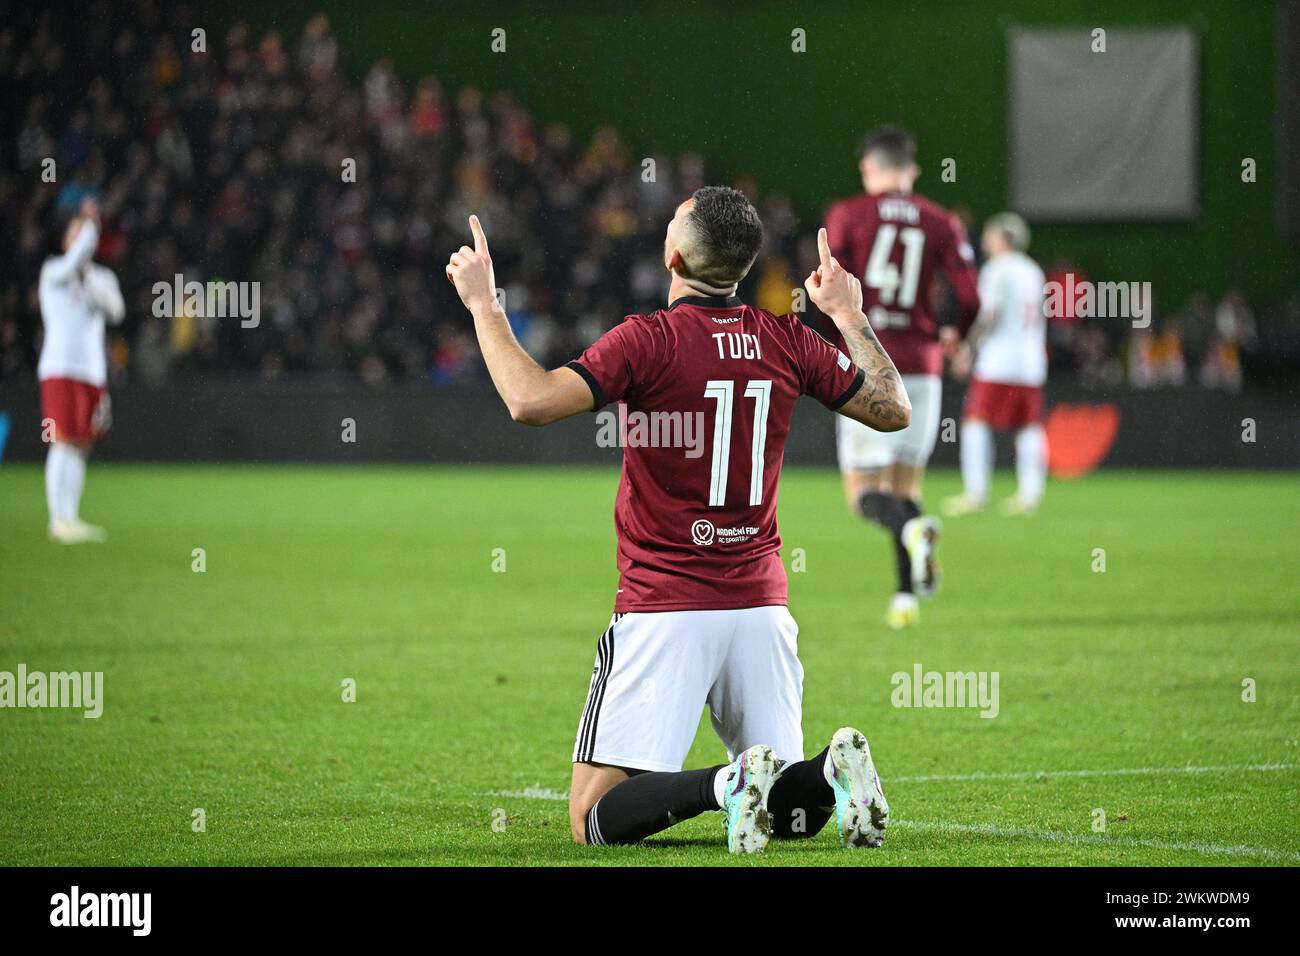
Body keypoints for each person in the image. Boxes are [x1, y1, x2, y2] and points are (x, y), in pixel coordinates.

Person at [445, 187, 910, 853]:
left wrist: (484, 304)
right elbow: (894, 409)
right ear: (743, 268)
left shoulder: (647, 341)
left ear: (672, 255)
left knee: (593, 818)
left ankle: (724, 786)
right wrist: (846, 313)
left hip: (666, 607)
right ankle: (830, 771)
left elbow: (530, 399)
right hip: (761, 610)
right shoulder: (786, 339)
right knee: (785, 809)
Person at [824, 126, 980, 629]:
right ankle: (904, 597)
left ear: (869, 167)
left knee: (864, 494)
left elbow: (831, 283)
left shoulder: (847, 214)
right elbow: (970, 294)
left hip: (870, 362)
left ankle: (913, 542)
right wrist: (954, 332)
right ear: (910, 169)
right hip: (923, 365)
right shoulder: (941, 220)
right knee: (905, 487)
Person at [943, 213, 1049, 517]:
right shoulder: (1033, 270)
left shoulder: (997, 270)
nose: (986, 240)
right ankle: (1031, 494)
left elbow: (990, 315)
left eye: (991, 235)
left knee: (976, 423)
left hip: (999, 360)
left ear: (1004, 238)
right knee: (1029, 427)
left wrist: (968, 349)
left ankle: (976, 492)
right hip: (1031, 361)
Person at [38, 197, 124, 543]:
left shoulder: (102, 277)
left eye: (83, 233)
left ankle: (71, 517)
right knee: (61, 440)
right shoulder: (54, 271)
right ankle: (57, 519)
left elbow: (116, 311)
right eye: (74, 234)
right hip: (60, 367)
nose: (81, 240)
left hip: (91, 372)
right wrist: (92, 223)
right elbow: (75, 259)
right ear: (66, 242)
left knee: (82, 443)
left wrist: (93, 286)